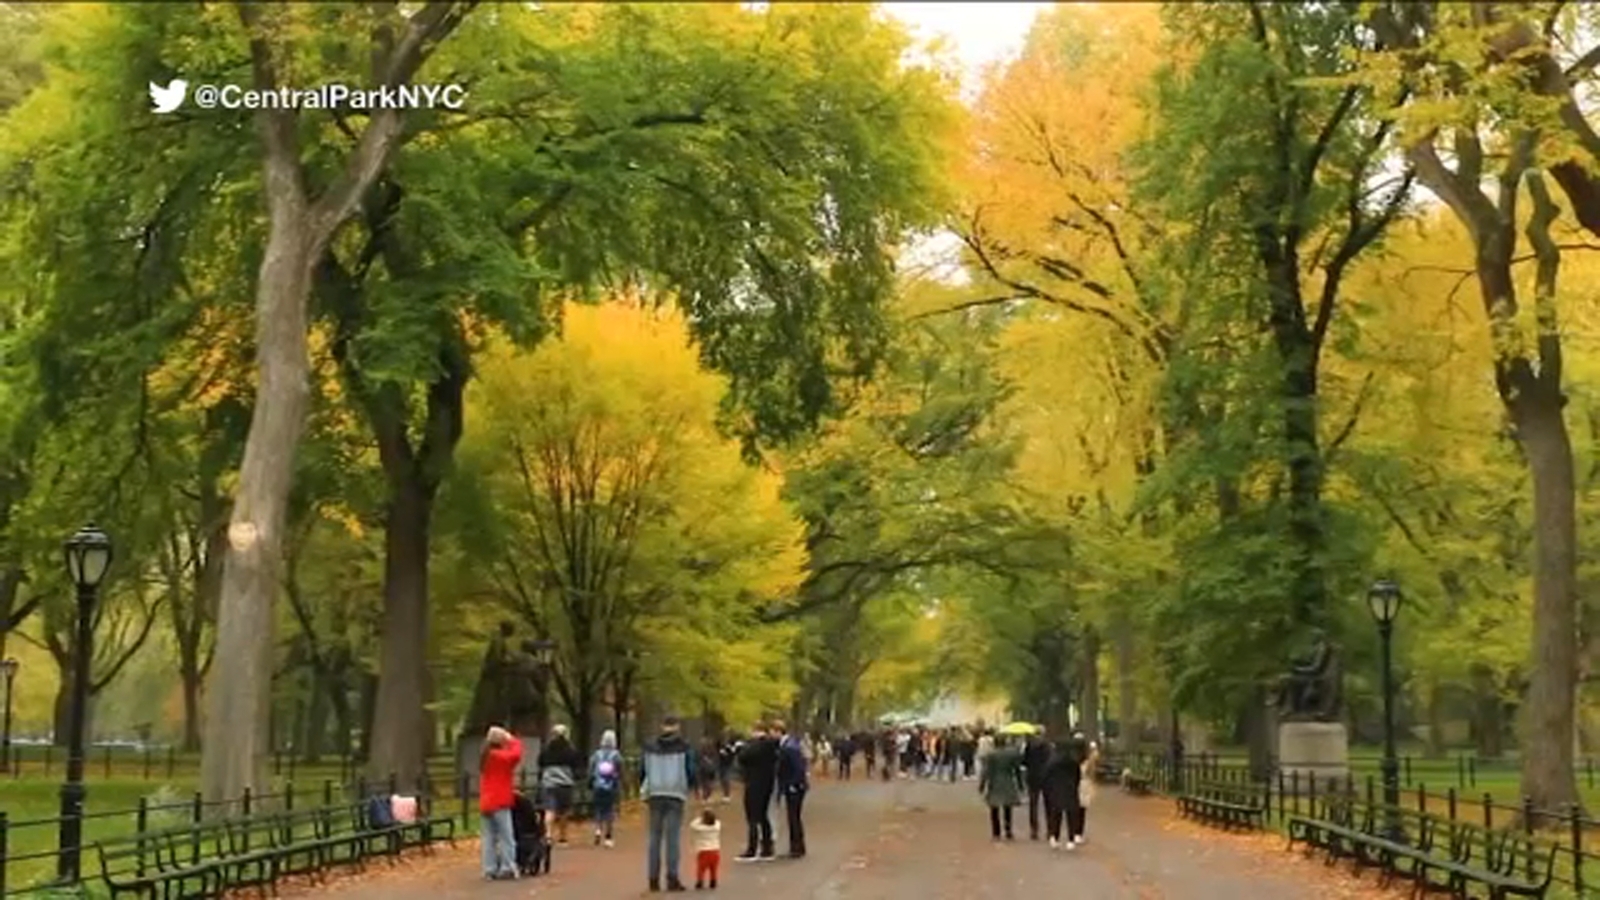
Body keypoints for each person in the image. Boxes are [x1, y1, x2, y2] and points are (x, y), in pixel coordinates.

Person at [640, 715, 696, 892]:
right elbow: (691, 770)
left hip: (655, 792)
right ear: (677, 727)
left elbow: (642, 771)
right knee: (673, 838)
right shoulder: (684, 747)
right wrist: (691, 785)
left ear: (662, 727)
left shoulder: (649, 747)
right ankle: (672, 878)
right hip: (675, 792)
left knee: (654, 837)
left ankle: (653, 879)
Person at [478, 725, 522, 880]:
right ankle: (507, 866)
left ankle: (489, 869)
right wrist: (512, 740)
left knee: (488, 838)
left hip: (486, 801)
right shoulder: (500, 757)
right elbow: (516, 755)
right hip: (500, 801)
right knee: (506, 836)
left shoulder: (485, 757)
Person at [735, 723, 779, 861]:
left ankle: (752, 849)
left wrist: (742, 748)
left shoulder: (755, 746)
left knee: (752, 817)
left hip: (754, 783)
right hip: (767, 783)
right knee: (763, 816)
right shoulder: (772, 746)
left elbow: (742, 757)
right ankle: (767, 847)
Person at [537, 723, 581, 845]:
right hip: (565, 783)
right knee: (564, 811)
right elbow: (576, 765)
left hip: (549, 783)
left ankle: (548, 835)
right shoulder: (571, 750)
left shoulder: (546, 750)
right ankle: (563, 837)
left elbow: (540, 763)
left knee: (549, 809)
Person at [1041, 734, 1083, 851]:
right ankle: (1070, 839)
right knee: (1071, 815)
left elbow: (1046, 775)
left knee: (1055, 814)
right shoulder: (1072, 761)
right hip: (1070, 789)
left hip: (1056, 789)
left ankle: (1054, 836)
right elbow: (1077, 775)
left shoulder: (1052, 761)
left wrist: (1048, 788)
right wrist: (1075, 785)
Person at [978, 732, 1023, 841]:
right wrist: (1020, 783)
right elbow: (1017, 770)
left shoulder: (991, 755)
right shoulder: (1011, 754)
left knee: (994, 808)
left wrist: (982, 785)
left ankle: (996, 832)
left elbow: (986, 771)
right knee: (1008, 807)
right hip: (1008, 780)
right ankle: (1008, 830)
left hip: (995, 781)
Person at [774, 719, 809, 857]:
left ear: (778, 732)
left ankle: (797, 847)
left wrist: (793, 784)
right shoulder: (789, 745)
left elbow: (798, 767)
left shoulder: (789, 747)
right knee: (793, 816)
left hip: (794, 786)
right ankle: (796, 846)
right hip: (793, 785)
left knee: (794, 816)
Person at [590, 729, 624, 847]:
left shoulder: (596, 754)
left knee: (598, 809)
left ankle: (598, 829)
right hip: (611, 786)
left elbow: (591, 769)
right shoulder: (616, 755)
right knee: (609, 810)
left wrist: (591, 782)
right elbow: (620, 771)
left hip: (598, 786)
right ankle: (608, 837)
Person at [1021, 728, 1051, 840]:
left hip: (1032, 776)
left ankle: (1034, 829)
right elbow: (1050, 760)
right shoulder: (1048, 746)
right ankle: (1050, 829)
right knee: (1048, 803)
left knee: (1033, 804)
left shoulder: (1029, 746)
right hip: (1045, 776)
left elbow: (1024, 761)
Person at [1073, 732, 1098, 845]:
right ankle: (1078, 833)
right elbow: (1091, 772)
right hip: (1084, 783)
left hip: (1073, 783)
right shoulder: (1087, 758)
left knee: (1074, 808)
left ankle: (1073, 832)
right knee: (1081, 809)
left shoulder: (1071, 756)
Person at [690, 808, 722, 890]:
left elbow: (692, 824)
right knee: (713, 869)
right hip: (715, 851)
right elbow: (717, 821)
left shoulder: (700, 829)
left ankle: (700, 881)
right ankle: (713, 881)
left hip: (704, 851)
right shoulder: (717, 826)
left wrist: (699, 818)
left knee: (701, 869)